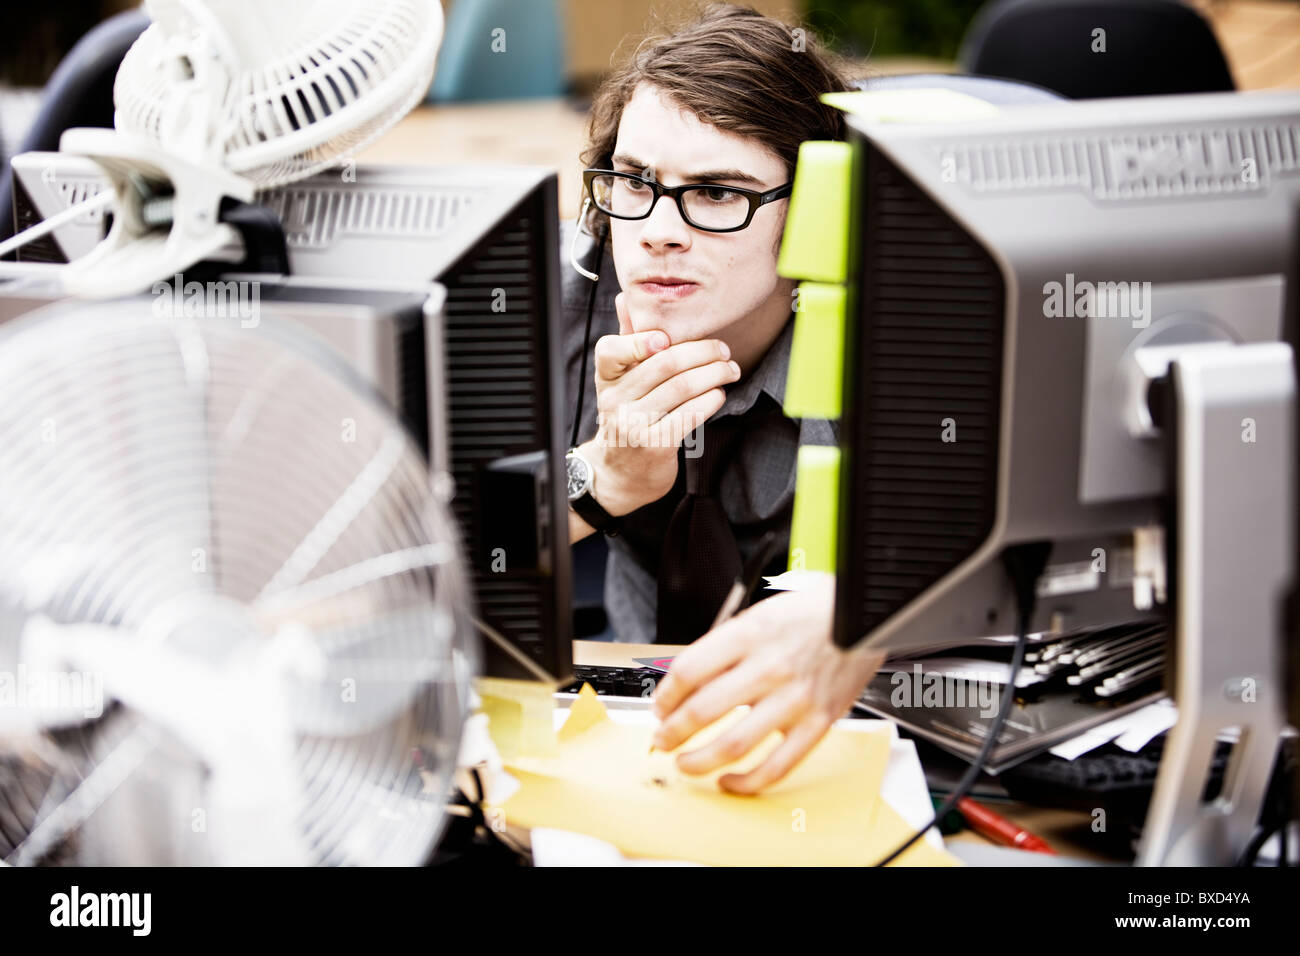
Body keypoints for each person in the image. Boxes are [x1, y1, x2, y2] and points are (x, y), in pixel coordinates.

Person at [561, 4, 885, 793]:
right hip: (630, 733)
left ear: (814, 211)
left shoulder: (893, 331)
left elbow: (1045, 556)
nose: (659, 231)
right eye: (634, 181)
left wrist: (866, 614)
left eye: (715, 193)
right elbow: (436, 548)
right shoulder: (566, 301)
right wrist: (600, 482)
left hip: (852, 743)